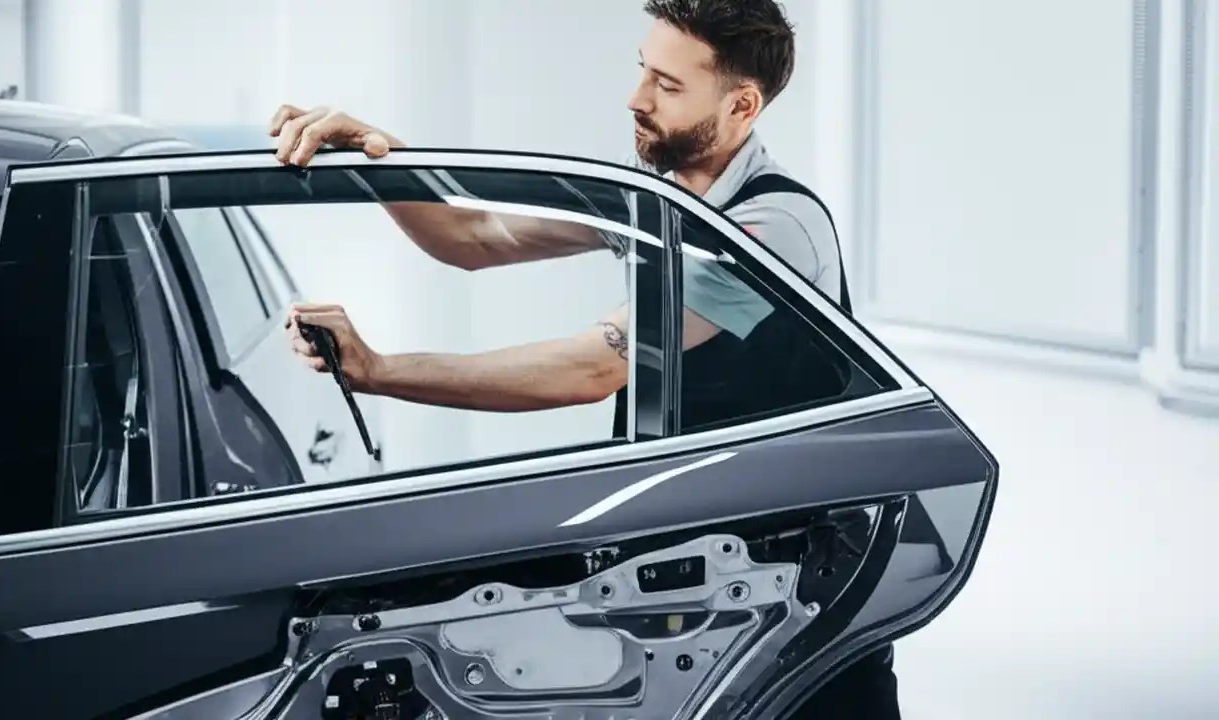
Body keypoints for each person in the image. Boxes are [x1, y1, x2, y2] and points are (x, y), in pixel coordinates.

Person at [269, 1, 899, 717]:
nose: (636, 99)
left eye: (667, 85)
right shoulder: (656, 193)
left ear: (741, 105)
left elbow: (593, 367)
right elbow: (475, 234)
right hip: (701, 572)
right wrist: (375, 155)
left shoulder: (770, 226)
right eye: (643, 71)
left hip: (799, 594)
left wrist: (381, 370)